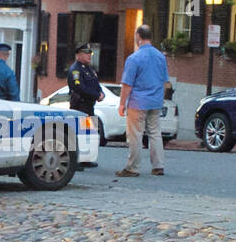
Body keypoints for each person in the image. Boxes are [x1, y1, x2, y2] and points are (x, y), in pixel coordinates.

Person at [116, 24, 169, 177]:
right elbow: (165, 81)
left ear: (138, 36)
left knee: (135, 135)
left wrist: (122, 104)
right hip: (156, 101)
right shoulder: (160, 56)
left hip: (138, 102)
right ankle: (158, 166)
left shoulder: (134, 58)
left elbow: (127, 84)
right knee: (155, 133)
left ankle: (133, 167)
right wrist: (160, 99)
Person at [65, 44, 103, 116]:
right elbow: (80, 88)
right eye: (86, 53)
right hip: (80, 107)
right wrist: (97, 95)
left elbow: (96, 83)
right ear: (78, 55)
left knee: (91, 127)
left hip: (90, 107)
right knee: (82, 127)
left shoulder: (89, 69)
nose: (89, 55)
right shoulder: (75, 70)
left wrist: (101, 92)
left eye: (90, 53)